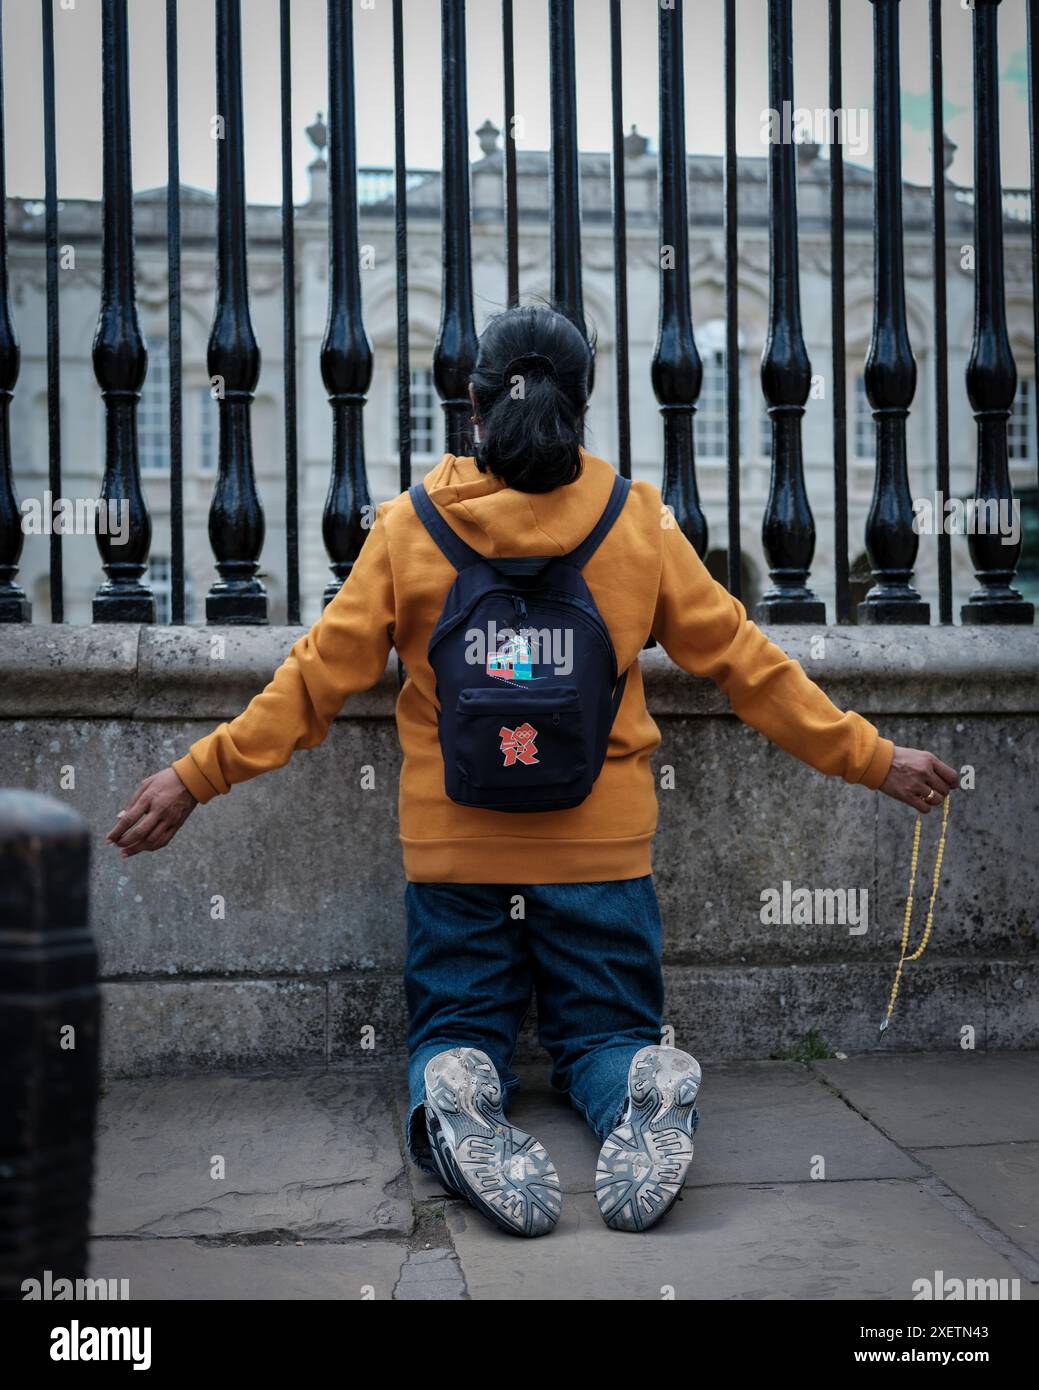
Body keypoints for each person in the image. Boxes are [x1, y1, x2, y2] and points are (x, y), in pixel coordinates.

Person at [107, 303, 959, 1240]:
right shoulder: (637, 523)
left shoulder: (408, 527)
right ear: (582, 406)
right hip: (601, 849)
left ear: (472, 409)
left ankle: (458, 1086)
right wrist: (874, 757)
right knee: (604, 1035)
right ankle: (637, 1083)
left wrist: (195, 775)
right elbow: (748, 666)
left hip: (454, 852)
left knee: (456, 1029)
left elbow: (311, 682)